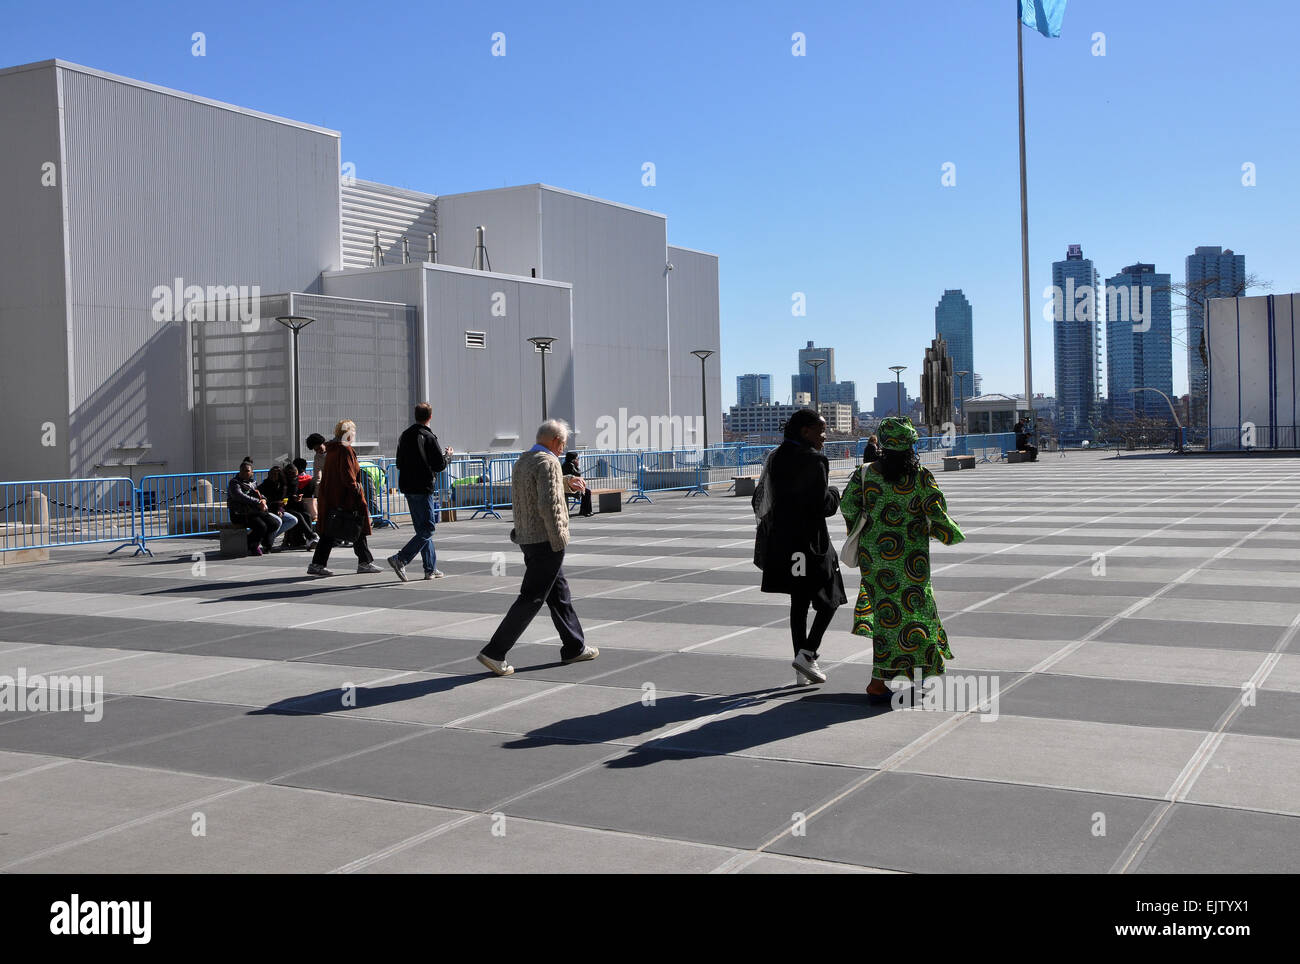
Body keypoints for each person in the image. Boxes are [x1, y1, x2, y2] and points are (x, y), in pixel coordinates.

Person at [840, 416, 965, 704]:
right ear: (910, 445)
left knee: (886, 615)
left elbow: (847, 506)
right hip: (912, 559)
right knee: (917, 611)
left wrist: (867, 525)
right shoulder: (920, 476)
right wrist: (950, 532)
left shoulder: (866, 473)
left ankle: (878, 681)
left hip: (877, 559)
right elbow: (937, 513)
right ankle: (919, 673)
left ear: (883, 443)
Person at [477, 419, 595, 676]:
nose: (563, 449)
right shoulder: (549, 461)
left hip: (527, 537)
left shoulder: (524, 460)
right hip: (546, 540)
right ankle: (495, 652)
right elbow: (548, 504)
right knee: (532, 597)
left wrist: (566, 482)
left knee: (559, 594)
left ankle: (575, 646)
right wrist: (559, 539)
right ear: (554, 441)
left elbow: (531, 492)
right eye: (562, 443)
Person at [753, 408, 847, 685]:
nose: (825, 436)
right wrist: (835, 492)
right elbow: (823, 506)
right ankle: (808, 654)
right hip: (812, 542)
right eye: (821, 430)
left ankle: (801, 667)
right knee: (831, 597)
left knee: (799, 602)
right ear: (805, 431)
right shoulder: (815, 459)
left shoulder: (776, 456)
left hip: (783, 541)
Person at [307, 419, 382, 576]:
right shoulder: (345, 450)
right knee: (356, 526)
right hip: (346, 497)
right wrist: (356, 491)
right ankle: (364, 562)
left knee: (333, 530)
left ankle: (319, 563)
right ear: (348, 433)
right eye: (353, 432)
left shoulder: (332, 449)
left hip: (332, 496)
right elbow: (348, 476)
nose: (354, 435)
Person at [387, 402, 453, 581]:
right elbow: (439, 465)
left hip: (408, 486)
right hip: (423, 487)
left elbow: (399, 463)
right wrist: (448, 456)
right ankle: (401, 558)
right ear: (430, 417)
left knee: (422, 529)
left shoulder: (405, 435)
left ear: (415, 415)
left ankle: (430, 568)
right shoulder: (428, 437)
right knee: (429, 528)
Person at [226, 458, 282, 556]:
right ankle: (251, 545)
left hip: (254, 511)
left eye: (247, 471)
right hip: (240, 513)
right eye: (243, 470)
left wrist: (263, 500)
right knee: (261, 526)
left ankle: (258, 543)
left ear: (252, 472)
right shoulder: (234, 483)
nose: (245, 473)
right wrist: (258, 502)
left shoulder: (253, 483)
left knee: (274, 523)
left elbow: (260, 494)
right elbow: (239, 496)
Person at [254, 464, 304, 551]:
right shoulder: (264, 486)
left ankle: (267, 538)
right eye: (272, 474)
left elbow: (281, 500)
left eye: (275, 474)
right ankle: (268, 545)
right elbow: (265, 502)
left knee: (293, 520)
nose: (273, 476)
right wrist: (277, 507)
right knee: (278, 521)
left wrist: (280, 508)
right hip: (266, 510)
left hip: (277, 510)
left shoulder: (282, 486)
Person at [562, 451, 593, 517]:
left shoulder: (566, 464)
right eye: (577, 459)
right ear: (573, 459)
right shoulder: (570, 465)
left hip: (569, 487)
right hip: (569, 488)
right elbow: (578, 474)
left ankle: (585, 510)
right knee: (587, 492)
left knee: (586, 491)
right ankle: (585, 511)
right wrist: (576, 465)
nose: (578, 460)